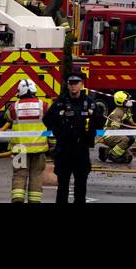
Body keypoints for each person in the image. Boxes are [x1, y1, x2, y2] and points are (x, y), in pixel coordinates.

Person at [43, 72, 103, 203]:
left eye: (76, 83)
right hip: (64, 149)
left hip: (82, 149)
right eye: (71, 83)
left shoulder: (89, 103)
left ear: (82, 84)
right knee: (63, 186)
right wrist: (59, 120)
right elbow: (47, 120)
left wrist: (93, 116)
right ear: (68, 85)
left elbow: (101, 123)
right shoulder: (60, 102)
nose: (73, 86)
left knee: (81, 185)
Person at [6, 78, 48, 203]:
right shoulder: (43, 106)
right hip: (39, 149)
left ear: (20, 92)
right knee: (36, 175)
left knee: (19, 174)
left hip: (20, 149)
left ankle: (18, 199)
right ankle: (34, 201)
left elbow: (7, 117)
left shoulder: (14, 107)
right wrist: (52, 146)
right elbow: (51, 124)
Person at [99, 91, 136, 164]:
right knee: (129, 139)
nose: (129, 101)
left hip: (116, 134)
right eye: (127, 100)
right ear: (121, 101)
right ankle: (112, 155)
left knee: (128, 158)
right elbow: (114, 130)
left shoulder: (126, 110)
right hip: (108, 135)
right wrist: (125, 132)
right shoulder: (117, 114)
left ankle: (104, 152)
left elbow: (132, 123)